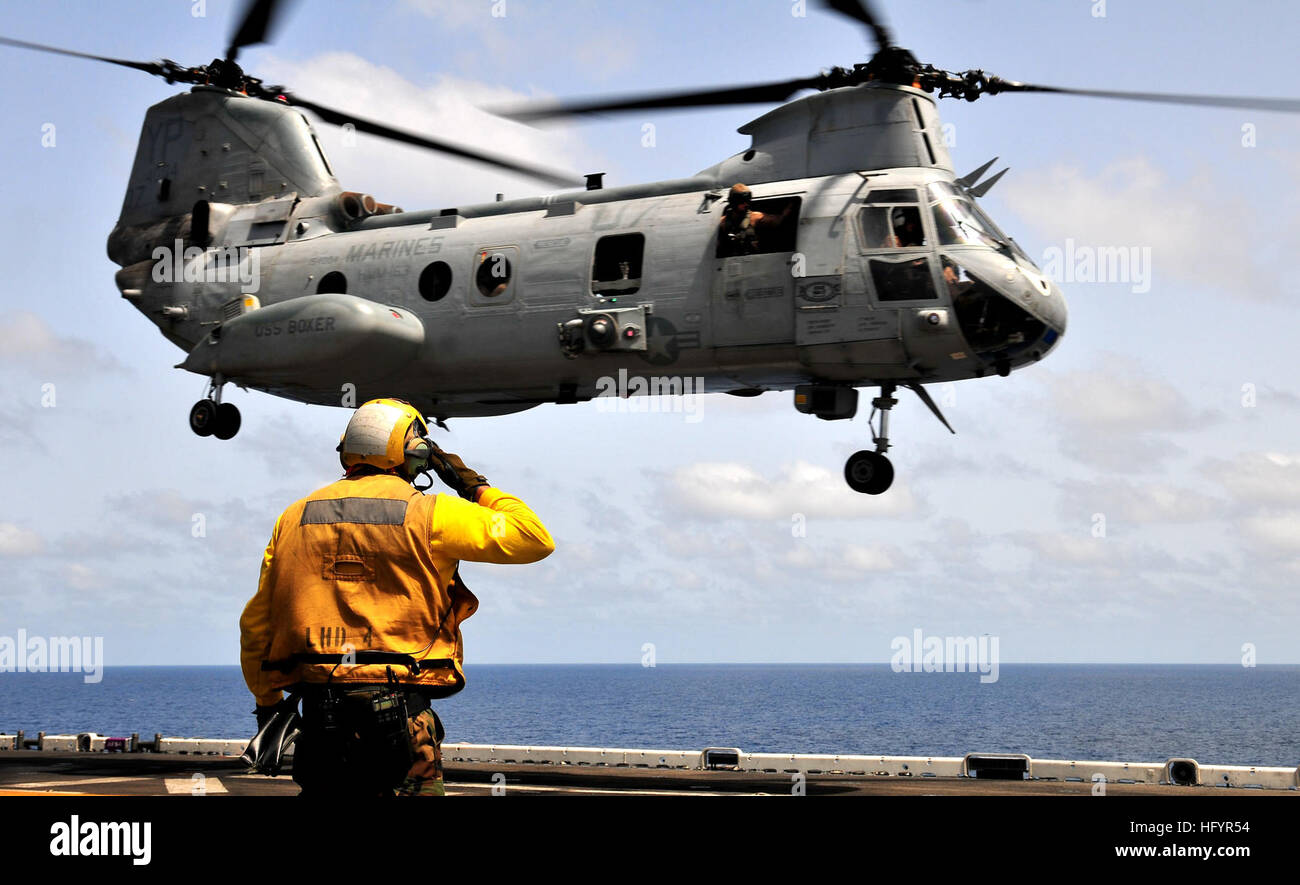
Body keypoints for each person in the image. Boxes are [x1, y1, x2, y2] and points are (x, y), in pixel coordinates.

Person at [239, 397, 554, 796]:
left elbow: (256, 625)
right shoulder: (430, 513)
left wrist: (267, 703)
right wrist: (472, 484)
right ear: (417, 454)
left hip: (321, 717)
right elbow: (534, 538)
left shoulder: (293, 517)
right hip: (400, 712)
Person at [717, 183, 793, 257]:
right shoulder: (722, 222)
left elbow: (777, 221)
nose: (746, 204)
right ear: (734, 202)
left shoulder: (755, 217)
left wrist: (787, 211)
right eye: (742, 201)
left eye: (747, 201)